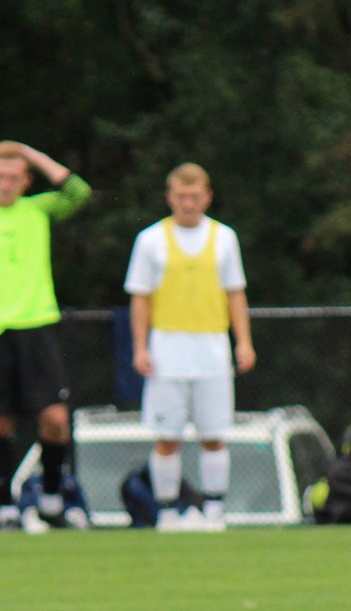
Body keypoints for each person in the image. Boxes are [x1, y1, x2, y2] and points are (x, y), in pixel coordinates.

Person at [0, 140, 91, 533]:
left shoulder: (38, 211)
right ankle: (4, 504)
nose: (7, 183)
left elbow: (79, 193)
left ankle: (50, 497)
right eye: (0, 175)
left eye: (14, 176)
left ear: (25, 179)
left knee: (55, 419)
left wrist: (35, 155)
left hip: (37, 326)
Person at [124, 162, 254, 532]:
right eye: (182, 196)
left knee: (214, 434)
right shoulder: (150, 240)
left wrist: (242, 341)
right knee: (168, 436)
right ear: (170, 198)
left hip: (212, 349)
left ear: (207, 197)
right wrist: (140, 347)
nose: (188, 203)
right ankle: (166, 510)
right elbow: (141, 298)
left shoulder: (224, 238)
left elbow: (235, 294)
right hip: (167, 350)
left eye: (195, 196)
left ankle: (214, 509)